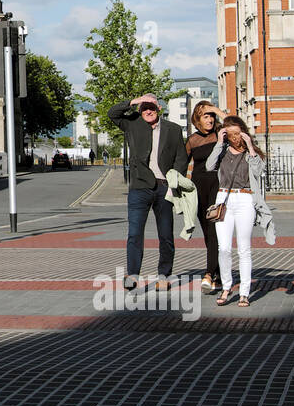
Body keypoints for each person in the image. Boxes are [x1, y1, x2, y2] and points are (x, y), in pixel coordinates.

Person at [108, 94, 189, 290]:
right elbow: (112, 113)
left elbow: (181, 158)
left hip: (164, 187)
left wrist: (174, 181)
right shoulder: (132, 124)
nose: (148, 111)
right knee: (135, 232)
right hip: (140, 187)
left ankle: (164, 275)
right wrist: (132, 101)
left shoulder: (173, 129)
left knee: (165, 235)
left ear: (159, 108)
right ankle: (133, 274)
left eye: (151, 106)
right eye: (144, 108)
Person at [205, 116, 263, 306]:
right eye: (231, 134)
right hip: (224, 199)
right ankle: (226, 287)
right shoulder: (221, 152)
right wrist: (219, 142)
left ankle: (244, 292)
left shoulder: (249, 153)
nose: (235, 137)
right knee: (224, 248)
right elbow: (209, 166)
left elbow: (258, 171)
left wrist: (250, 146)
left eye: (238, 133)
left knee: (244, 249)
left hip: (245, 198)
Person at [185, 101, 223, 293]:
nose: (209, 119)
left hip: (218, 185)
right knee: (208, 234)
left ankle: (209, 274)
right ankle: (218, 274)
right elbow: (182, 166)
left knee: (214, 229)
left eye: (211, 116)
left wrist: (217, 110)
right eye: (205, 116)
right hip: (198, 189)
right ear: (197, 119)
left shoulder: (221, 135)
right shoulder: (192, 140)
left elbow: (237, 127)